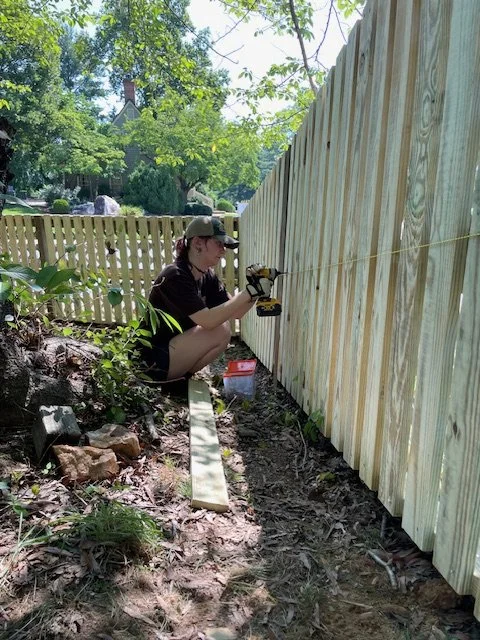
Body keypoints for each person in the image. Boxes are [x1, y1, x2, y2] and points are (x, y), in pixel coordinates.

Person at [140, 216, 272, 382]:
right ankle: (168, 381)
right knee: (220, 329)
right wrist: (249, 292)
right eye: (218, 243)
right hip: (150, 360)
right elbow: (208, 321)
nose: (223, 250)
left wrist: (255, 292)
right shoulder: (175, 275)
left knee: (223, 328)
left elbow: (236, 312)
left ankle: (179, 381)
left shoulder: (206, 275)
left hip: (170, 353)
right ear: (197, 243)